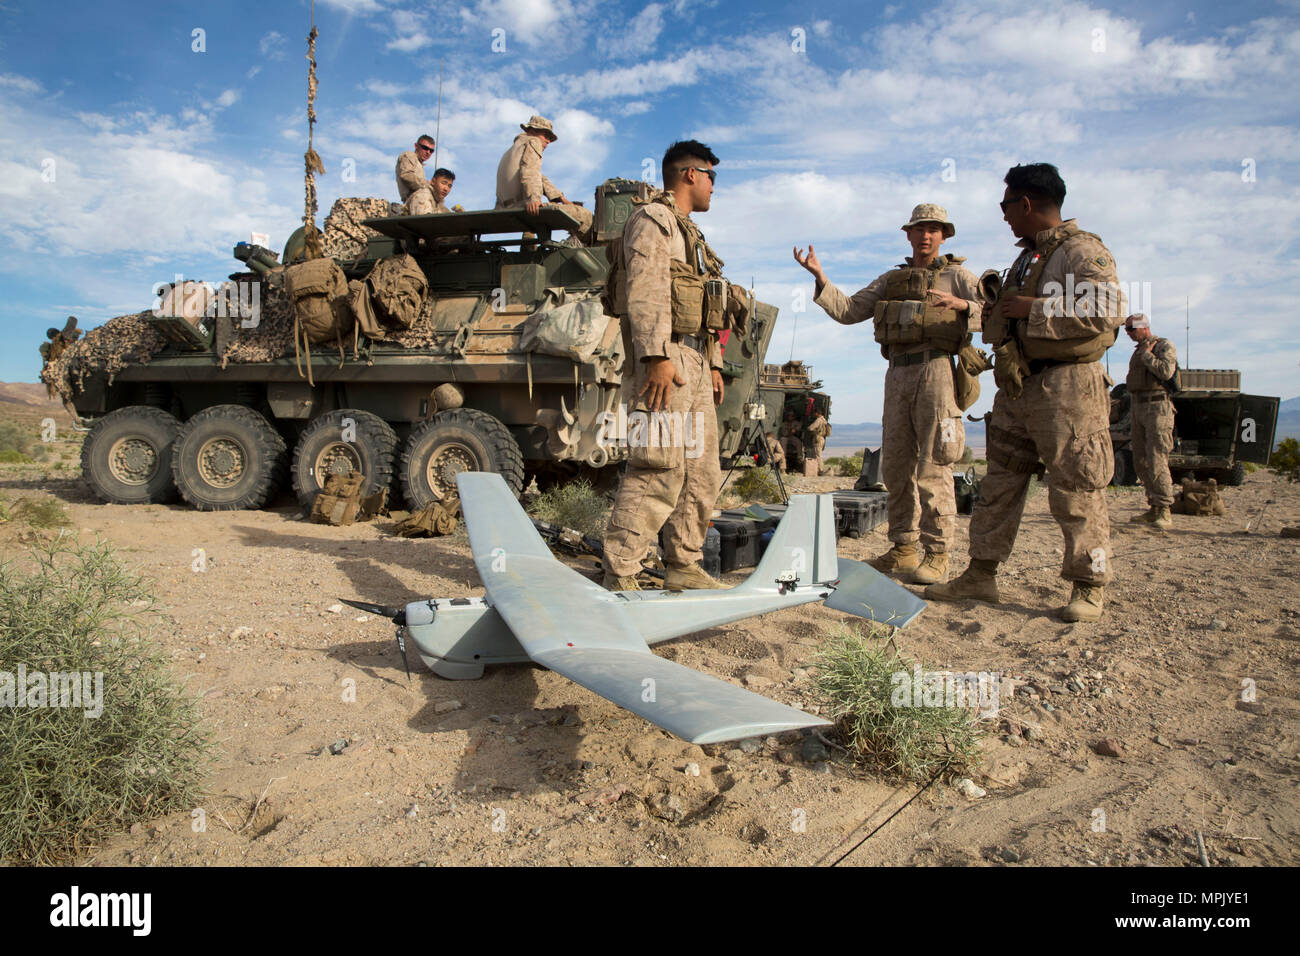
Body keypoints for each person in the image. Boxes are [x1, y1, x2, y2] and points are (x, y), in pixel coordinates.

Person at [926, 163, 1125, 623]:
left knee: (1077, 485)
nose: (1004, 216)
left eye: (1006, 206)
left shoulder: (1082, 251)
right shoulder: (1028, 256)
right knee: (1000, 483)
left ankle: (1089, 585)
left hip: (1068, 387)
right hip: (1020, 385)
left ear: (1028, 203)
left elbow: (1108, 308)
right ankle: (981, 573)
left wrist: (1034, 308)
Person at [794, 204, 981, 584]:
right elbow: (848, 310)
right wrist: (820, 277)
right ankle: (904, 550)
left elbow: (994, 312)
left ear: (944, 235)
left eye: (933, 229)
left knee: (934, 465)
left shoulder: (959, 276)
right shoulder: (890, 281)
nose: (925, 235)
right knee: (896, 467)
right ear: (908, 235)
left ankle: (938, 553)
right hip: (897, 373)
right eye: (918, 229)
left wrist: (963, 305)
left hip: (938, 371)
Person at [602, 140, 729, 592]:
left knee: (700, 468)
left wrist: (713, 363)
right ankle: (620, 571)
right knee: (657, 465)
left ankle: (683, 565)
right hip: (664, 359)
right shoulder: (653, 220)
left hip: (693, 360)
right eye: (713, 176)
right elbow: (646, 287)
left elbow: (704, 303)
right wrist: (654, 355)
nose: (716, 186)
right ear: (690, 174)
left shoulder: (691, 236)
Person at [495, 115, 594, 240]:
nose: (548, 141)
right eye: (546, 136)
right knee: (586, 216)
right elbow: (530, 171)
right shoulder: (533, 141)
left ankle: (529, 246)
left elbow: (539, 178)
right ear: (532, 131)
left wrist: (561, 198)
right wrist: (533, 198)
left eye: (550, 139)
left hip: (503, 208)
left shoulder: (513, 150)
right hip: (522, 207)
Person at [1124, 314, 1178, 530]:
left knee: (1157, 459)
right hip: (1138, 407)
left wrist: (1147, 356)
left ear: (1144, 327)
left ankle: (1164, 509)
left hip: (1158, 407)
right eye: (1127, 329)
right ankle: (1153, 506)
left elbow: (1166, 372)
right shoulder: (1138, 351)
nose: (1128, 333)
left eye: (1131, 329)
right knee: (1141, 460)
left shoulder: (1162, 345)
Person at [395, 135, 437, 215]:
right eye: (425, 148)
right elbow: (406, 175)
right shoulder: (410, 155)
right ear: (416, 146)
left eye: (431, 151)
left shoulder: (420, 164)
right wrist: (427, 184)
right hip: (415, 200)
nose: (428, 152)